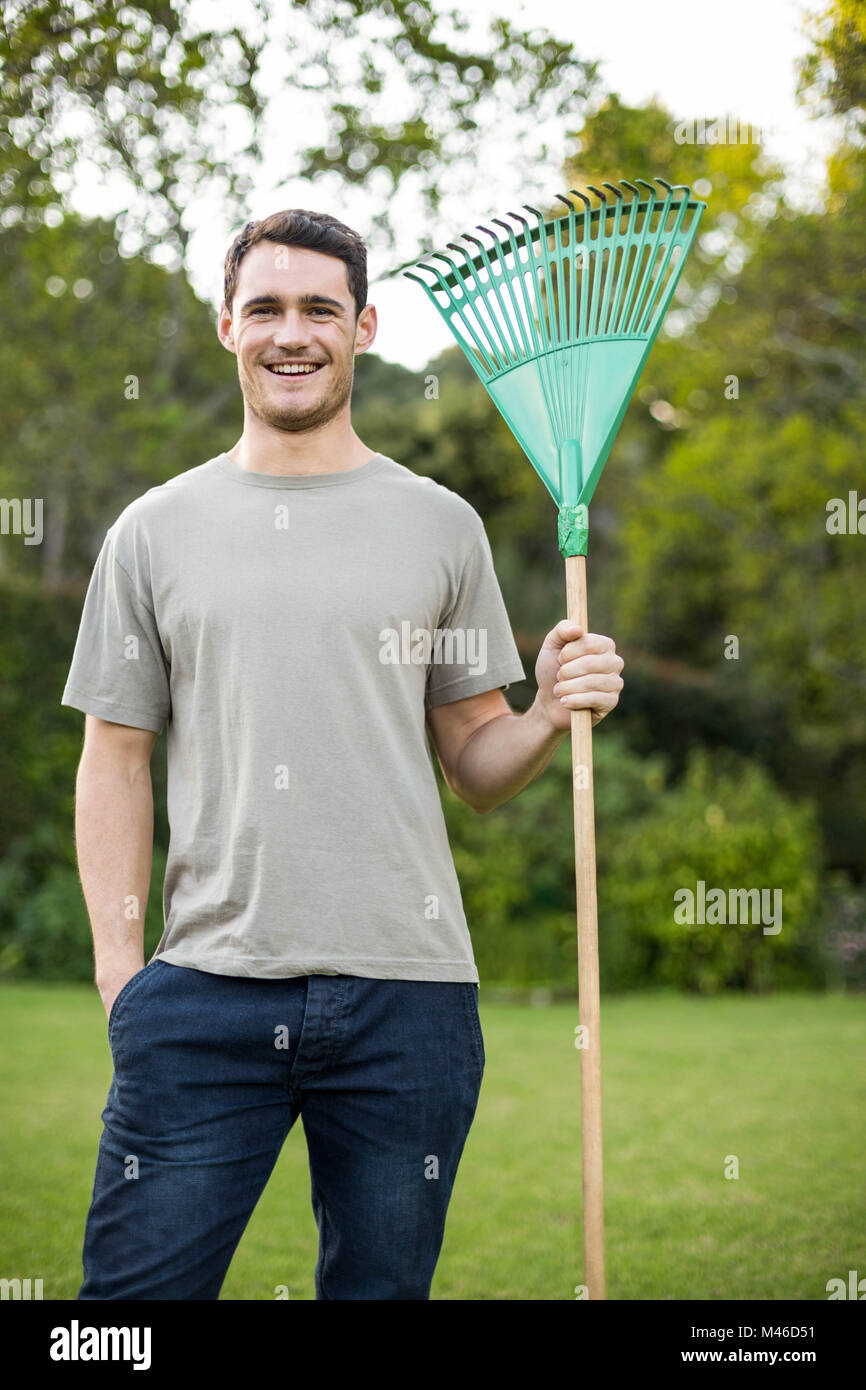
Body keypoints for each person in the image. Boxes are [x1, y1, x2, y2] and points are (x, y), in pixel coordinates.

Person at [61, 208, 624, 1300]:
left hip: (406, 1002)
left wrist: (549, 711)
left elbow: (475, 759)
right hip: (202, 995)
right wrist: (120, 973)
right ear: (228, 326)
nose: (292, 332)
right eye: (265, 307)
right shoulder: (152, 530)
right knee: (125, 1313)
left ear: (362, 326)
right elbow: (114, 758)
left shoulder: (439, 526)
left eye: (320, 307)